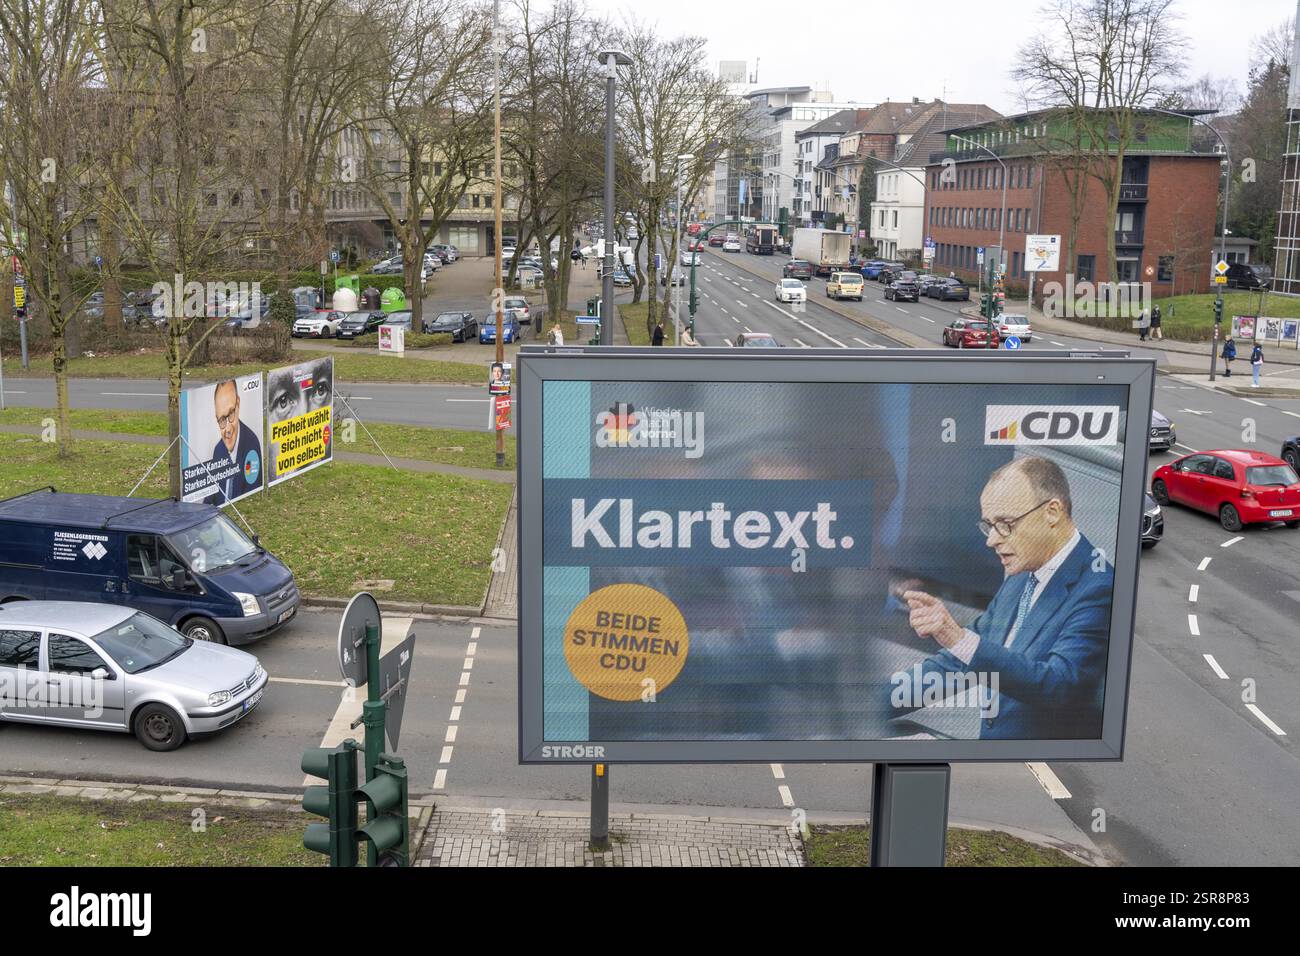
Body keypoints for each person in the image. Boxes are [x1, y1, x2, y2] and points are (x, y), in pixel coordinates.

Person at [898, 456, 1111, 739]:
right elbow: (958, 662)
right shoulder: (1022, 572)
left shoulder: (1100, 586)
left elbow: (1059, 685)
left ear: (1053, 512)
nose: (991, 540)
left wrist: (958, 638)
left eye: (1005, 524)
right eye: (989, 525)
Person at [203, 379, 263, 505]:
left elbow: (252, 499)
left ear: (238, 405)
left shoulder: (251, 445)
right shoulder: (218, 449)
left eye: (231, 414)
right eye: (222, 420)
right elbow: (211, 496)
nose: (228, 429)